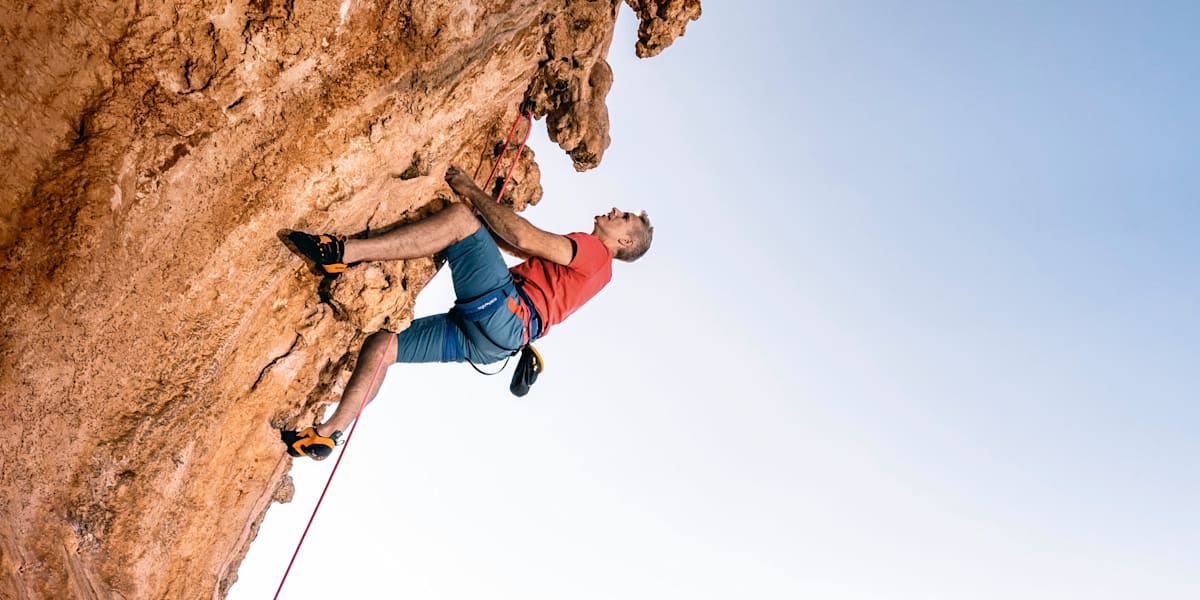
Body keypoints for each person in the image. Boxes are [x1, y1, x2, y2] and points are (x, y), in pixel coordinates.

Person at [281, 165, 654, 459]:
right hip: (496, 342)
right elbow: (519, 248)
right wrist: (480, 225)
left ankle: (341, 254)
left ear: (623, 242)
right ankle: (327, 434)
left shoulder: (596, 251)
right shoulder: (596, 272)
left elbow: (523, 237)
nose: (616, 211)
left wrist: (471, 192)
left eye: (624, 219)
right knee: (384, 346)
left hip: (505, 313)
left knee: (459, 219)